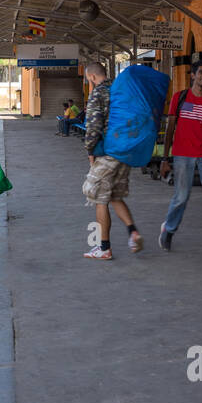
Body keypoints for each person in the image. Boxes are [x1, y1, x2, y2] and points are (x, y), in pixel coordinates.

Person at [159, 59, 202, 259]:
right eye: (200, 73)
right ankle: (169, 230)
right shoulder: (179, 98)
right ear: (192, 75)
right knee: (181, 197)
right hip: (182, 155)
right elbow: (170, 129)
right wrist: (165, 158)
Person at [81, 61, 142, 259]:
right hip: (126, 151)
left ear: (91, 77)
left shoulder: (97, 93)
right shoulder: (121, 90)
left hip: (108, 152)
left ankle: (104, 248)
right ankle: (133, 232)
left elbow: (93, 125)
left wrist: (90, 151)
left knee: (99, 198)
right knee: (115, 195)